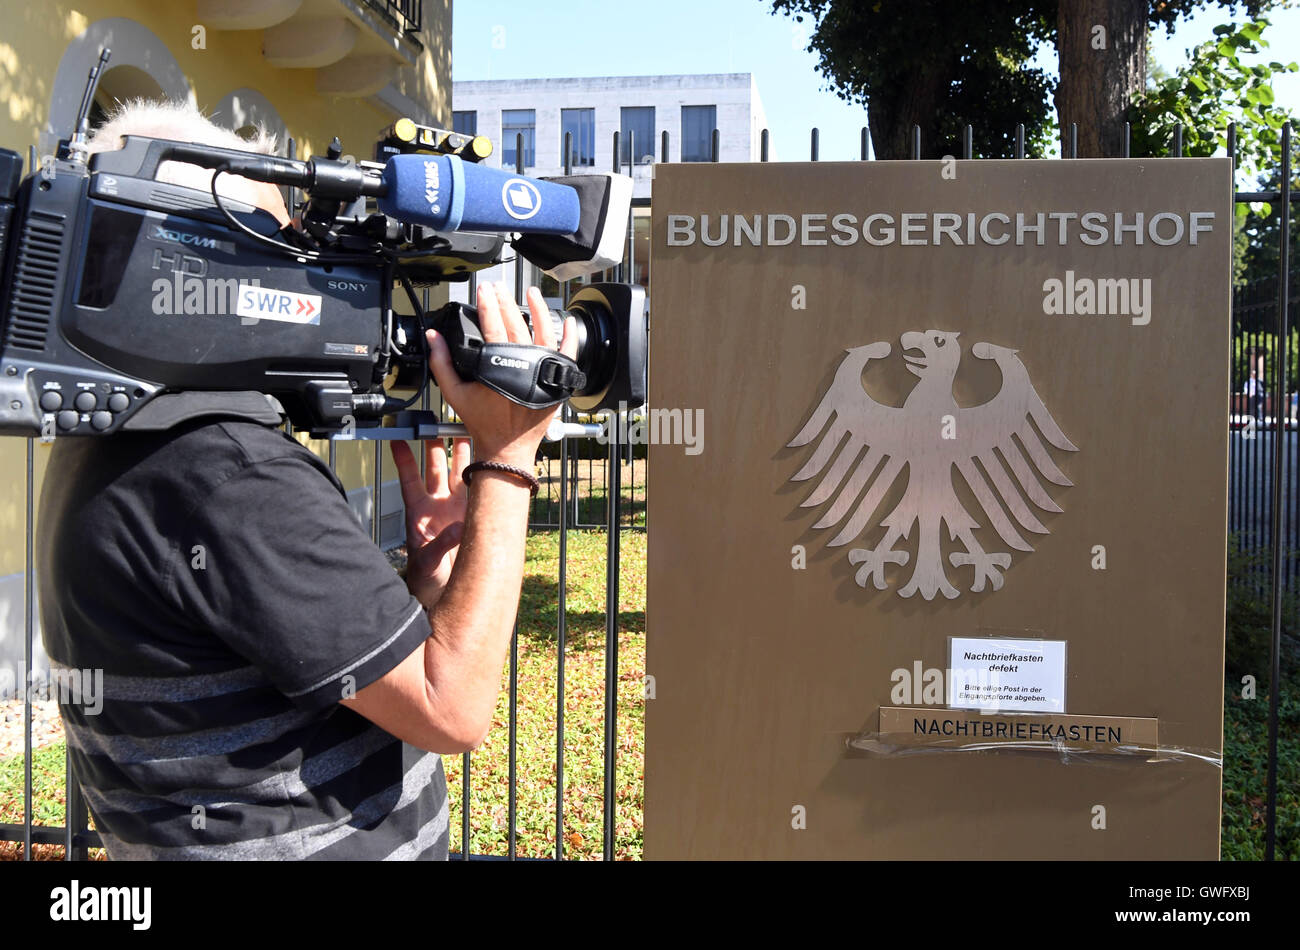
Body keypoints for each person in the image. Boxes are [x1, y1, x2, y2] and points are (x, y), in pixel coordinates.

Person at [36, 100, 575, 859]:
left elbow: (328, 673)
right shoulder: (228, 473)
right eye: (270, 245)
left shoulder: (120, 436)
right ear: (181, 257)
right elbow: (453, 710)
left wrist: (426, 580)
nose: (302, 275)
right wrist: (509, 457)